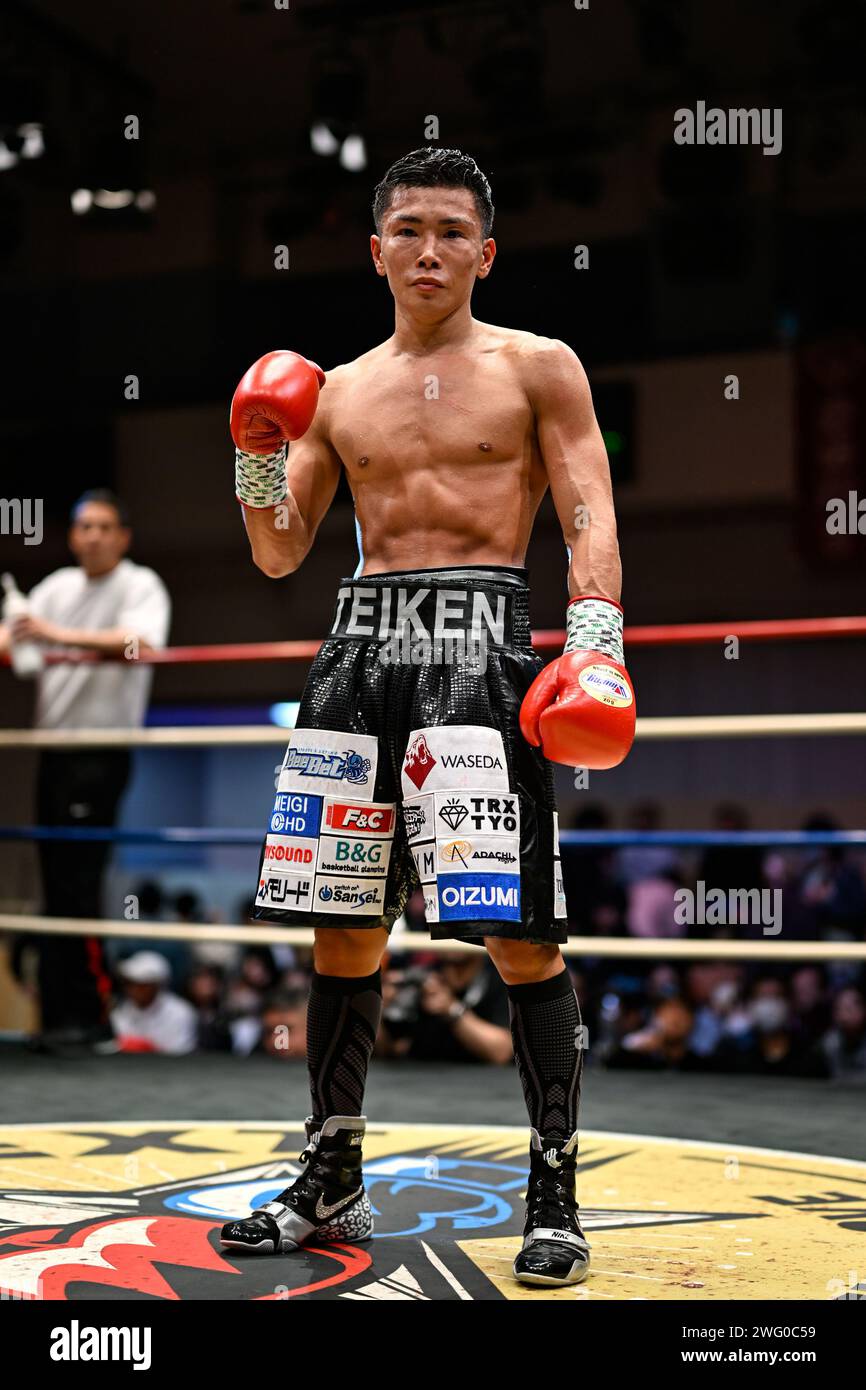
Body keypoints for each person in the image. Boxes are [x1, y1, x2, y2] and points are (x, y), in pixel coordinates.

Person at [219, 147, 636, 1287]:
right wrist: (256, 453)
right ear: (374, 249)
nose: (428, 249)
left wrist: (593, 643)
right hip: (358, 651)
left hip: (480, 648)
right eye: (407, 229)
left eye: (452, 231)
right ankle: (330, 1173)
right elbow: (275, 553)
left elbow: (587, 506)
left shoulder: (538, 366)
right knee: (341, 926)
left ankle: (552, 1190)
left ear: (484, 252)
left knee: (516, 933)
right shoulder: (337, 388)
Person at [0, 490, 171, 1046]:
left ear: (122, 536)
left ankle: (92, 1019)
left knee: (81, 880)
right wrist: (15, 634)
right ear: (73, 536)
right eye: (84, 526)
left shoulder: (139, 584)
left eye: (104, 526)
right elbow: (15, 644)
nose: (93, 535)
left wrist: (53, 635)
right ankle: (57, 1019)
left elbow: (139, 644)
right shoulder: (55, 587)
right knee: (54, 879)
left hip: (101, 753)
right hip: (54, 749)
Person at [378, 952, 512, 1064]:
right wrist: (379, 1010)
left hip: (484, 1086)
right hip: (417, 1083)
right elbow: (390, 1048)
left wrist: (452, 1009)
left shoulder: (499, 979)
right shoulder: (423, 977)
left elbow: (501, 1052)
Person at [110, 951, 197, 1055]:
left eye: (142, 985)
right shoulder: (119, 1010)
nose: (134, 990)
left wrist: (147, 1048)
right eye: (130, 983)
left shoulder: (181, 1013)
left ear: (157, 985)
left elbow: (181, 1058)